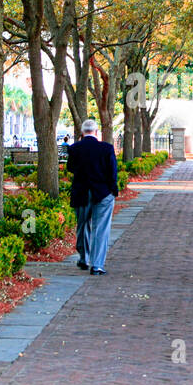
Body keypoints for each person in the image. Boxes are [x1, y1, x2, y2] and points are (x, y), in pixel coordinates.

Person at [66, 118, 118, 275]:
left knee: (82, 226)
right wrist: (113, 190)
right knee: (100, 229)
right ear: (97, 132)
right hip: (102, 193)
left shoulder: (74, 148)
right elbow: (112, 172)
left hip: (81, 192)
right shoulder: (106, 148)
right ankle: (97, 265)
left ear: (82, 132)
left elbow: (70, 168)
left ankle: (84, 258)